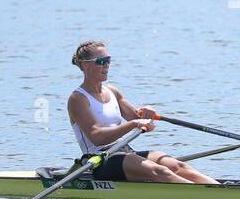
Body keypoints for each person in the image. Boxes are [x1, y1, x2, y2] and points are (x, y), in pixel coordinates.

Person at [67, 41, 217, 184]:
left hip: (124, 151)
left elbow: (138, 118)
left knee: (177, 166)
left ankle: (221, 190)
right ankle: (212, 196)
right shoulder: (78, 99)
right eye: (101, 61)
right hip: (99, 160)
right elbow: (97, 137)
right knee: (160, 172)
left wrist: (146, 113)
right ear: (85, 65)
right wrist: (133, 124)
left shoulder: (113, 91)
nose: (106, 65)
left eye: (108, 60)